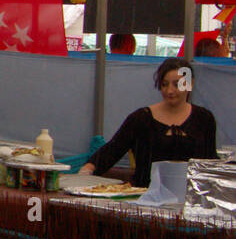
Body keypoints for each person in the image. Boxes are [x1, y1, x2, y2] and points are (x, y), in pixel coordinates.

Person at [80, 58, 218, 188]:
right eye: (164, 84)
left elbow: (210, 161)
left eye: (177, 84)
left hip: (191, 199)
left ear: (190, 84)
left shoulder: (204, 119)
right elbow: (112, 150)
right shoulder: (141, 119)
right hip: (146, 196)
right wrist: (88, 169)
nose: (170, 91)